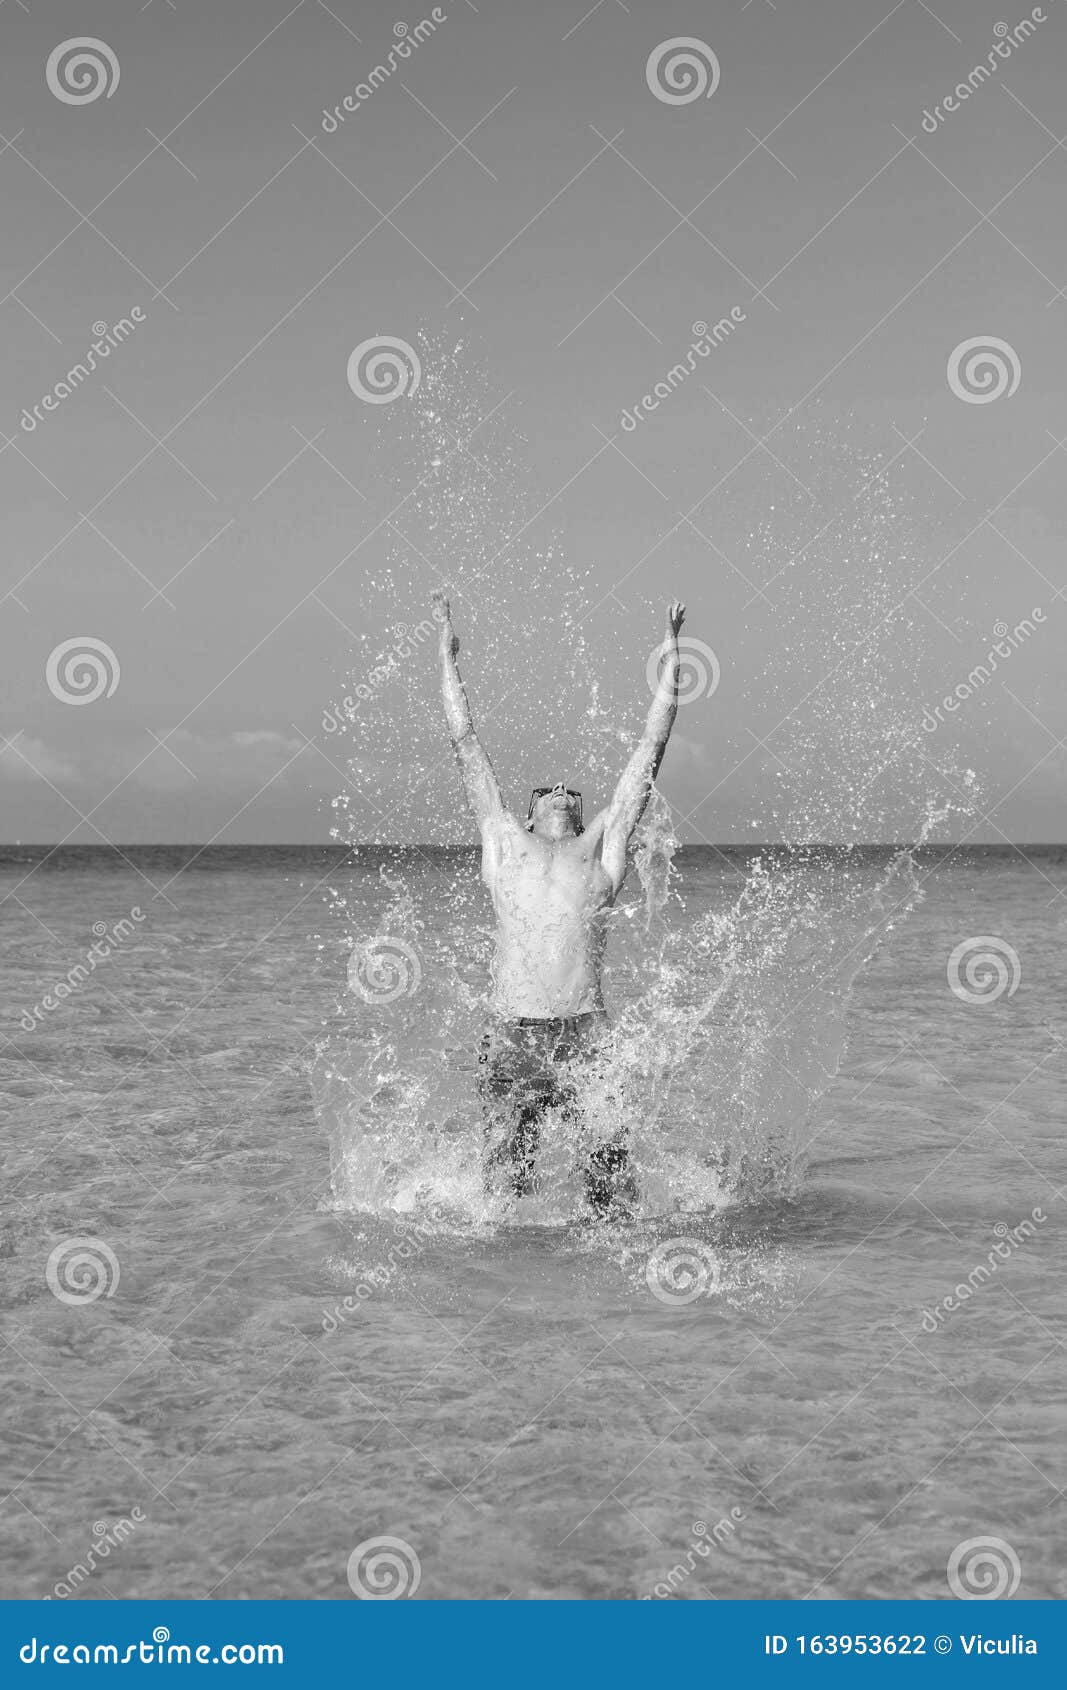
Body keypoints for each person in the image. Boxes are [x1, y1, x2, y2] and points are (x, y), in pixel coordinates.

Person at [434, 590, 685, 1216]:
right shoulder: (502, 841)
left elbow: (647, 755)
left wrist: (672, 653)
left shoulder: (604, 849)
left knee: (610, 1194)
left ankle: (610, 1290)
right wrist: (446, 655)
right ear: (526, 812)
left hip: (587, 1033)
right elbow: (465, 742)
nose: (564, 793)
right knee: (502, 1197)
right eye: (550, 790)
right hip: (514, 1028)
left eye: (572, 790)